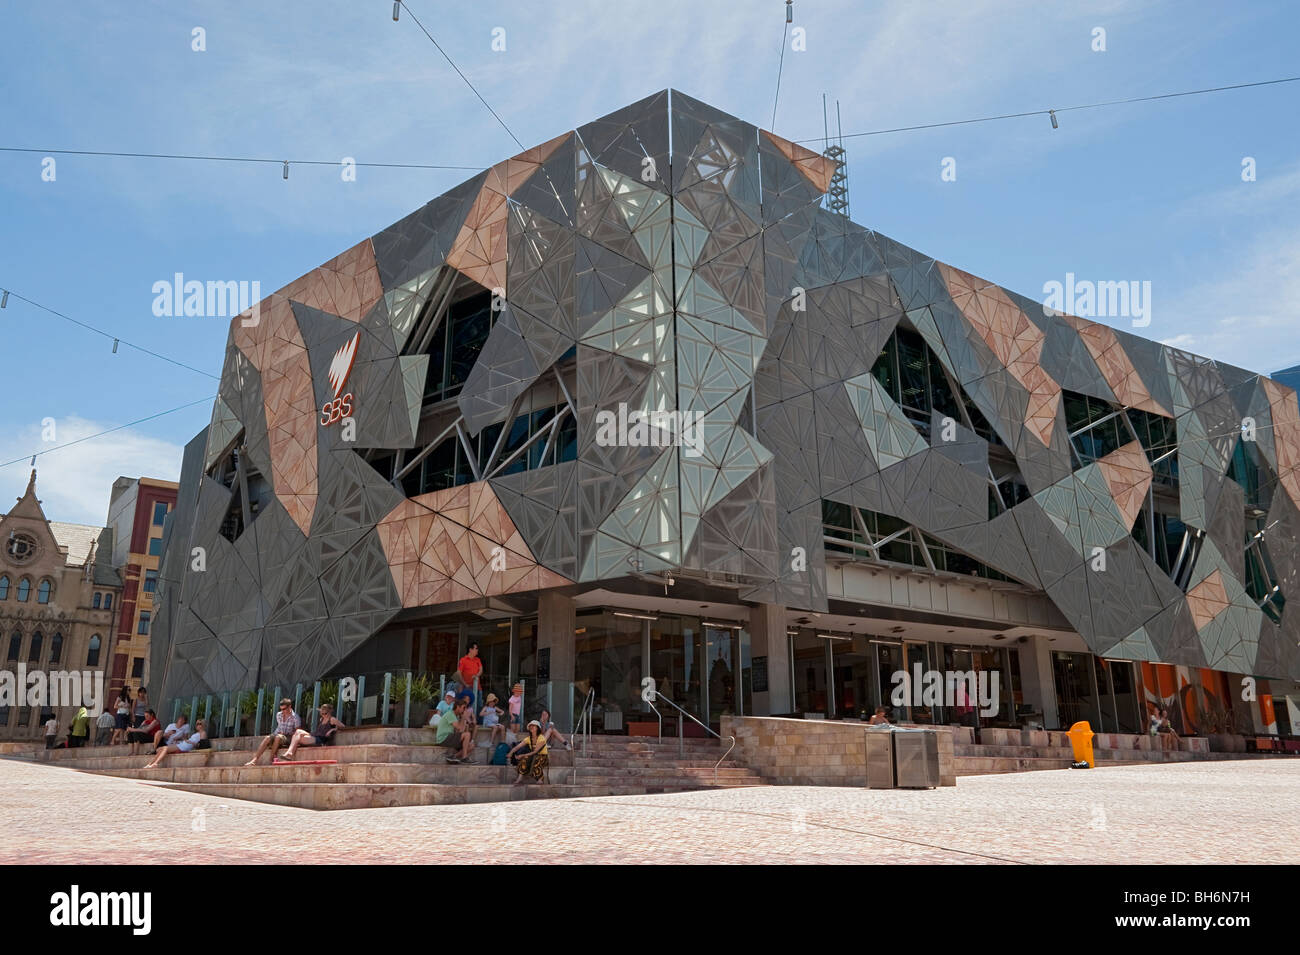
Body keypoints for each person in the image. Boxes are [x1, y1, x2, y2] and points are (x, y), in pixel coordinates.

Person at [244, 699, 301, 766]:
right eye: (281, 709)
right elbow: (279, 726)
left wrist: (287, 733)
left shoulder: (295, 717)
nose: (282, 711)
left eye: (284, 709)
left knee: (278, 737)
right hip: (279, 733)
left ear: (290, 707)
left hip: (288, 736)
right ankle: (254, 760)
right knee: (268, 738)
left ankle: (271, 759)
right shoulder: (279, 715)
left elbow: (298, 731)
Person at [280, 703, 345, 760]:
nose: (324, 715)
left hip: (321, 739)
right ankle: (290, 753)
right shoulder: (321, 719)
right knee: (298, 731)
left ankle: (290, 753)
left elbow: (343, 727)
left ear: (329, 712)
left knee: (298, 738)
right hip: (315, 735)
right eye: (322, 713)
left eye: (325, 713)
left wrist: (332, 729)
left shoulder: (332, 719)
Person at [144, 718, 209, 769]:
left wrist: (190, 742)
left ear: (203, 725)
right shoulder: (196, 733)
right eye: (197, 724)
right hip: (184, 744)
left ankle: (155, 763)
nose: (197, 725)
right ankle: (151, 763)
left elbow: (200, 745)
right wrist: (183, 740)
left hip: (186, 746)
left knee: (165, 748)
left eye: (200, 723)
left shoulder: (203, 733)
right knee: (159, 749)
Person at [507, 720, 549, 785]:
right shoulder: (528, 739)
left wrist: (522, 755)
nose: (531, 727)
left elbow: (535, 752)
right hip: (533, 756)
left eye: (533, 726)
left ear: (537, 728)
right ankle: (519, 779)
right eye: (530, 726)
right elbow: (517, 747)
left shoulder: (541, 738)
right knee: (525, 759)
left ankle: (540, 779)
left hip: (543, 757)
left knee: (537, 760)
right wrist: (511, 753)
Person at [436, 699, 474, 764]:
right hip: (444, 738)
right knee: (467, 734)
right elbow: (459, 728)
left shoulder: (455, 716)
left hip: (449, 737)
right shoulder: (450, 714)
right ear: (458, 707)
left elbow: (461, 730)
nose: (464, 710)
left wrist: (464, 718)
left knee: (471, 746)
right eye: (463, 708)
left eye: (465, 708)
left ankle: (453, 756)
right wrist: (463, 717)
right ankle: (464, 758)